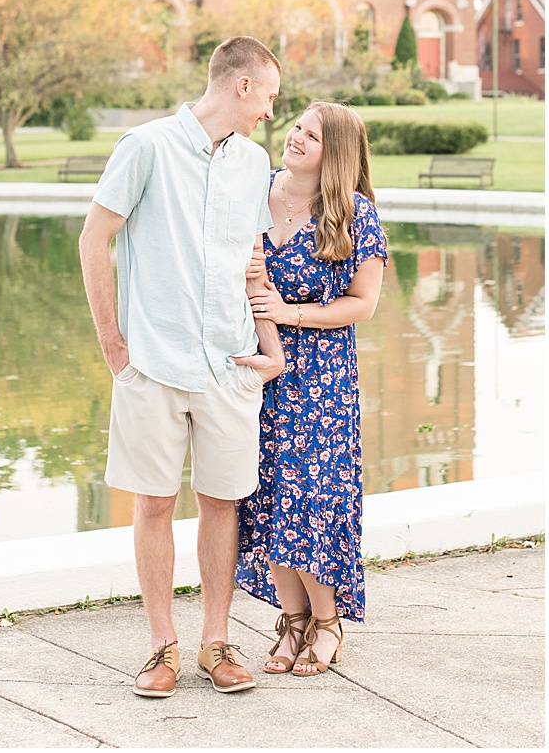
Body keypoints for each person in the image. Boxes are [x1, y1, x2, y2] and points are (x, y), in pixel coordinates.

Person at [80, 36, 286, 699]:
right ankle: (160, 646)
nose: (271, 114)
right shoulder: (145, 148)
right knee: (155, 502)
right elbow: (94, 239)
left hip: (229, 364)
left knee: (223, 502)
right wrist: (114, 344)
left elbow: (252, 257)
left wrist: (266, 347)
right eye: (270, 98)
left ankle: (216, 643)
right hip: (155, 361)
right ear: (243, 86)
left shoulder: (254, 164)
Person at [236, 101, 387, 676]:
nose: (295, 137)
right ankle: (291, 622)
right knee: (269, 494)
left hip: (322, 377)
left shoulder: (353, 212)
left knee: (313, 496)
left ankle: (326, 622)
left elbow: (363, 304)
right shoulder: (257, 189)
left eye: (312, 136)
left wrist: (289, 312)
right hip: (257, 369)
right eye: (296, 127)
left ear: (336, 153)